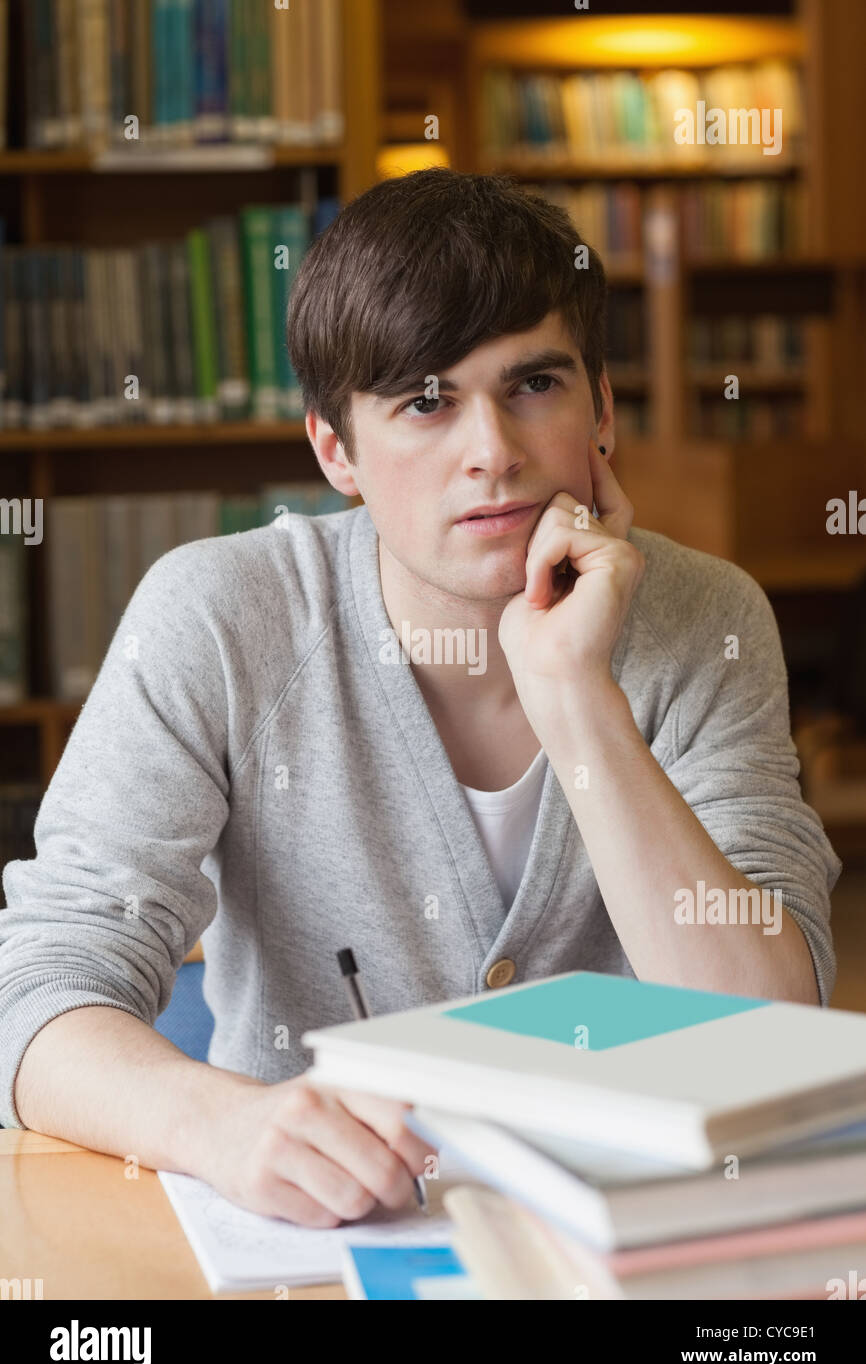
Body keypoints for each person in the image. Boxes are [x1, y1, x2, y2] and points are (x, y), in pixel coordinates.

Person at [0, 169, 841, 1229]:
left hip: (619, 1245)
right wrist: (221, 1125)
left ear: (602, 413)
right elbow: (34, 991)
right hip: (315, 1245)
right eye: (425, 401)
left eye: (533, 384)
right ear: (335, 451)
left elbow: (765, 1036)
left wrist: (573, 695)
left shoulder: (701, 618)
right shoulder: (219, 617)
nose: (491, 450)